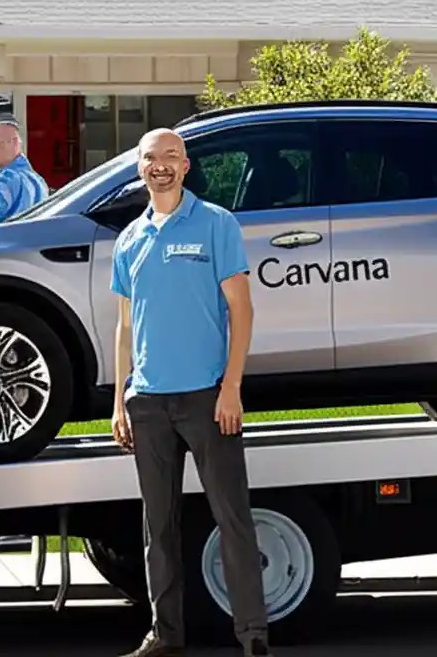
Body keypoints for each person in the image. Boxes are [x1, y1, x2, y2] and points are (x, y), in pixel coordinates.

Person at [110, 128, 272, 657]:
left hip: (207, 397)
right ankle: (166, 634)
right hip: (148, 402)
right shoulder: (130, 238)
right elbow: (125, 326)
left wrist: (231, 388)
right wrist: (120, 401)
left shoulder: (216, 224)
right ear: (140, 168)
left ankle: (252, 634)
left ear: (186, 165)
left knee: (233, 519)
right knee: (158, 529)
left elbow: (241, 310)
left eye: (170, 157)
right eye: (150, 158)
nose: (160, 166)